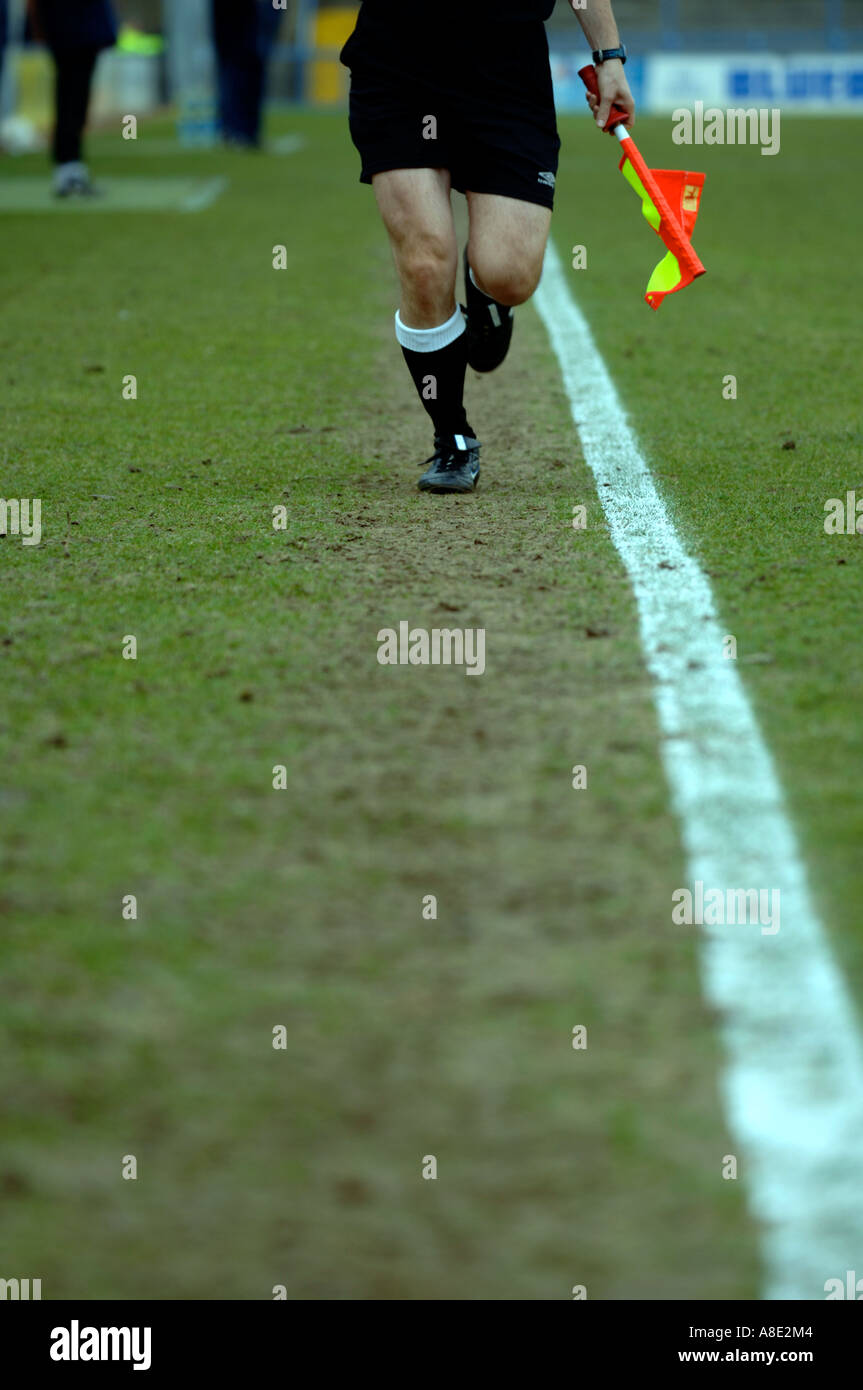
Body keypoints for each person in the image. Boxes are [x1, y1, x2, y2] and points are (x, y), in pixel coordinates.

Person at [340, 0, 634, 494]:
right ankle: (452, 436)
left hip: (506, 74)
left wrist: (609, 56)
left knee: (510, 273)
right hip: (398, 65)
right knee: (425, 259)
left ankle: (487, 295)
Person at [30, 0, 117, 196]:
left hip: (76, 27)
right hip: (70, 27)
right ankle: (68, 168)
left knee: (75, 99)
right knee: (71, 99)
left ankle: (71, 166)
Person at [210, 0, 282, 149]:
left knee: (246, 67)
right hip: (241, 16)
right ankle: (235, 130)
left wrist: (277, 12)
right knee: (237, 67)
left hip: (252, 15)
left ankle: (244, 131)